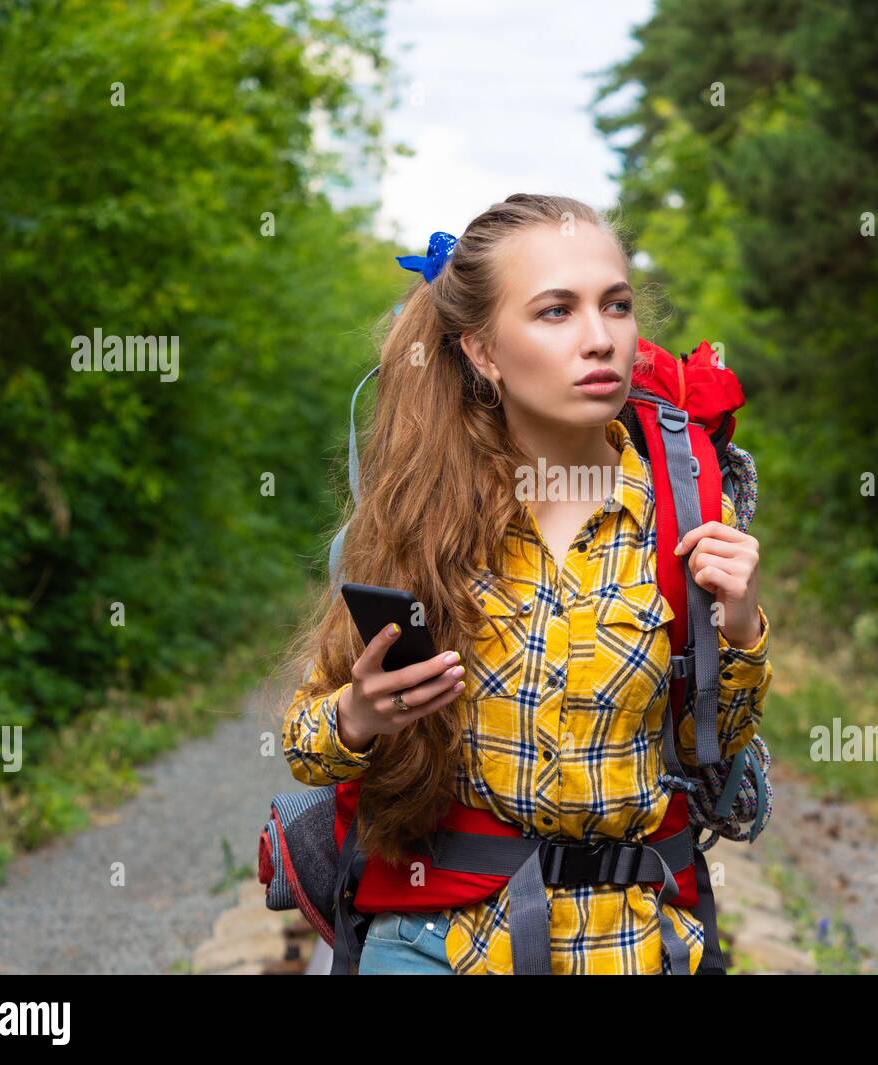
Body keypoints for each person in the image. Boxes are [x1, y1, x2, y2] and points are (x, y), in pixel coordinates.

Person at [280, 193, 772, 974]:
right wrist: (361, 712)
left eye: (615, 305)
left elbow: (706, 751)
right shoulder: (418, 520)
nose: (600, 338)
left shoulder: (683, 511)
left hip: (631, 945)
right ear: (482, 351)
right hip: (437, 942)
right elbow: (305, 743)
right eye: (555, 312)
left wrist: (740, 628)